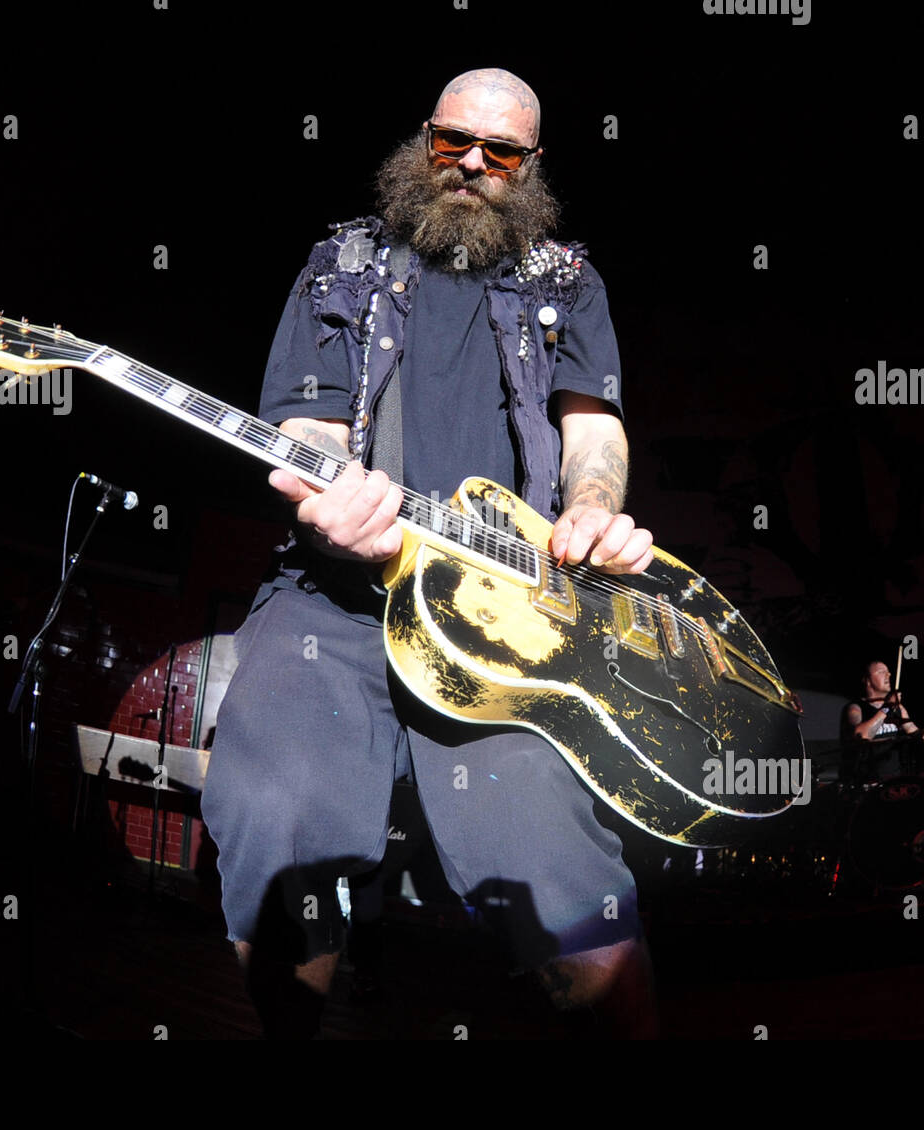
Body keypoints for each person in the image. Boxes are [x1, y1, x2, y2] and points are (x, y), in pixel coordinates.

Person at [200, 68, 659, 1038]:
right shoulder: (342, 261)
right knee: (280, 811)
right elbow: (310, 429)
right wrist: (334, 499)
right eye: (456, 142)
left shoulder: (568, 280)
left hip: (506, 621)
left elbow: (594, 428)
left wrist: (591, 509)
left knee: (572, 896)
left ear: (531, 167)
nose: (473, 167)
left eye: (501, 154)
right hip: (337, 600)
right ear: (424, 139)